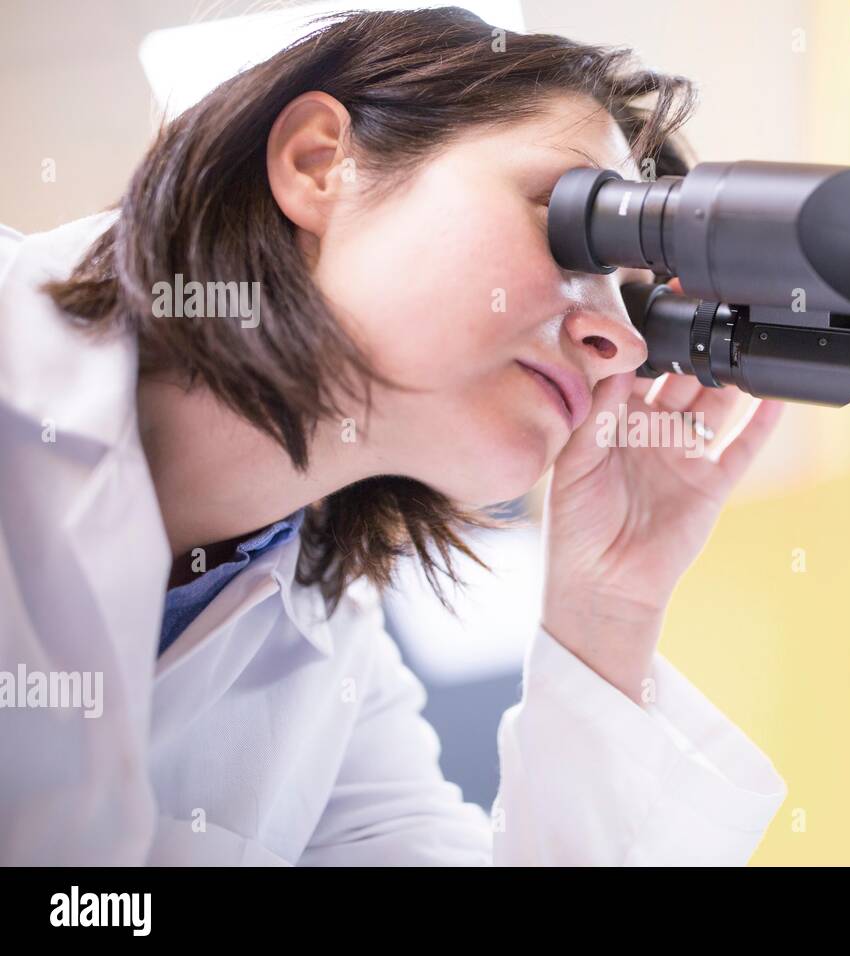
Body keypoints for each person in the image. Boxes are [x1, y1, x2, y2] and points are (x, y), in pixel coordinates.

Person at [0, 6, 788, 865]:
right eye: (578, 226)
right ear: (319, 163)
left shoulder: (332, 685)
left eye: (636, 306)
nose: (623, 346)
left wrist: (604, 612)